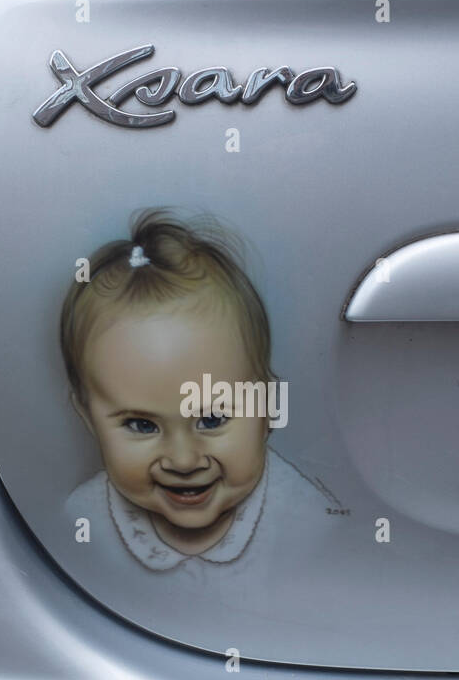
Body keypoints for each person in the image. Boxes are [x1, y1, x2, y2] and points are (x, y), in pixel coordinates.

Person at [60, 208, 326, 574]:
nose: (183, 461)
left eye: (212, 419)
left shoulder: (308, 523)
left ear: (268, 407)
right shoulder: (81, 521)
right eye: (142, 425)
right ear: (89, 418)